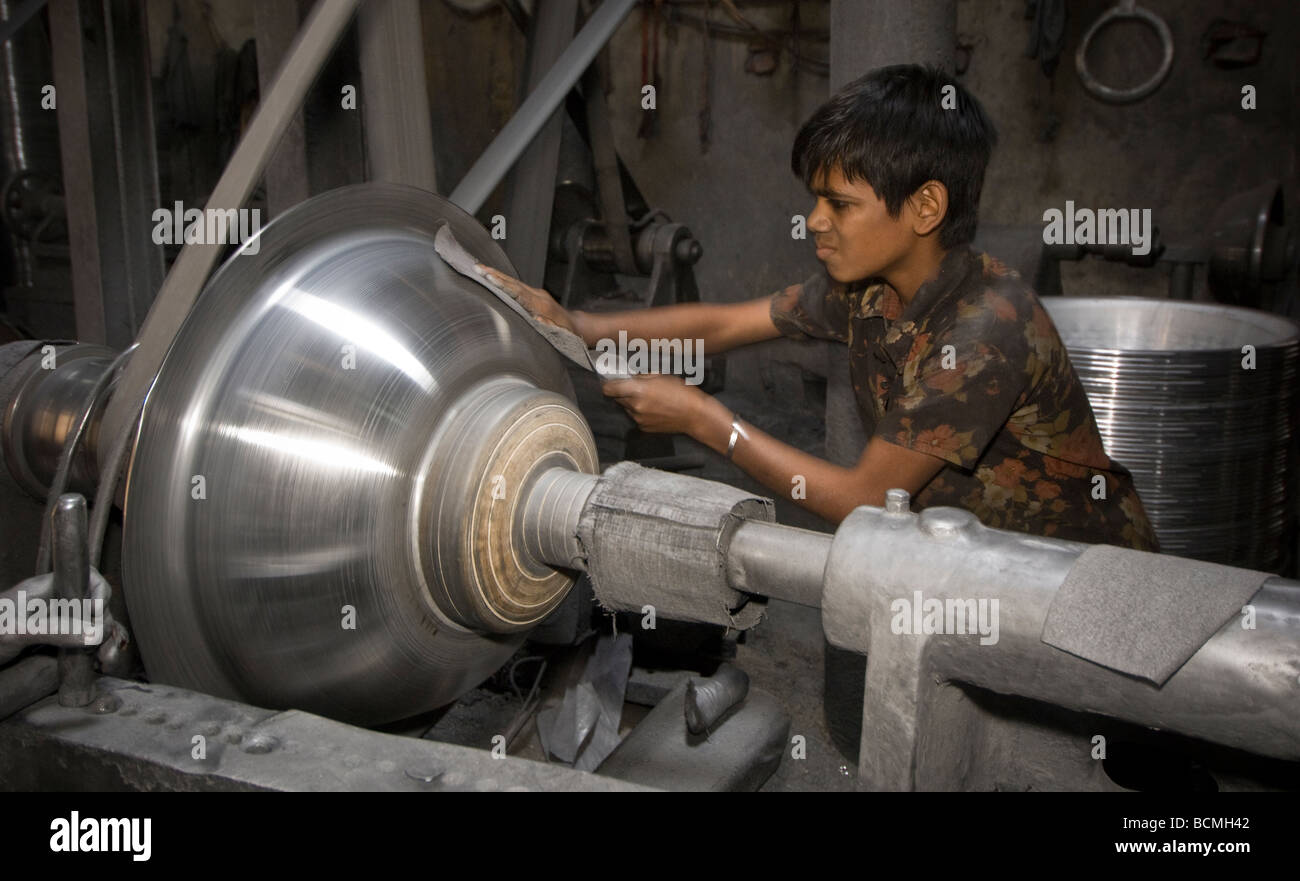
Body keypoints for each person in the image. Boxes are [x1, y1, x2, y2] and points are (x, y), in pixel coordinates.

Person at [480, 64, 1158, 551]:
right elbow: (727, 323)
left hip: (1084, 570)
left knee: (1127, 747)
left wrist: (709, 420)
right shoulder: (867, 292)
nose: (814, 222)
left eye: (839, 204)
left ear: (925, 207)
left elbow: (864, 498)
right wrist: (584, 325)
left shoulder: (983, 329)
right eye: (814, 199)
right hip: (987, 557)